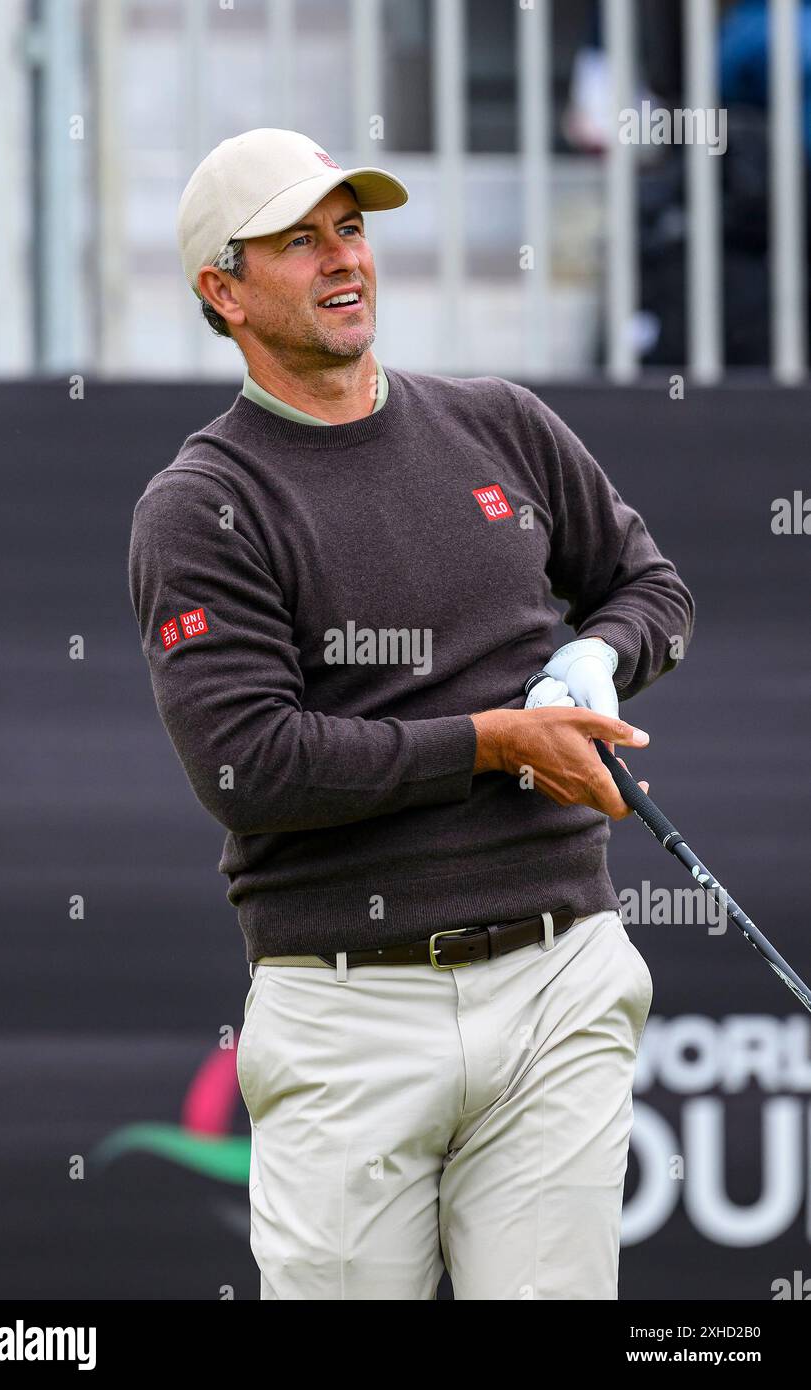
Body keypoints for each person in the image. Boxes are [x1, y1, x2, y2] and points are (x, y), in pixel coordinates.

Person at [128, 126, 695, 1301]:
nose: (343, 261)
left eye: (351, 229)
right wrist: (497, 742)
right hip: (345, 1011)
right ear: (220, 291)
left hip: (556, 980)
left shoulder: (498, 423)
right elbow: (252, 767)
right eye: (298, 241)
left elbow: (652, 589)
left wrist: (595, 656)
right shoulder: (202, 505)